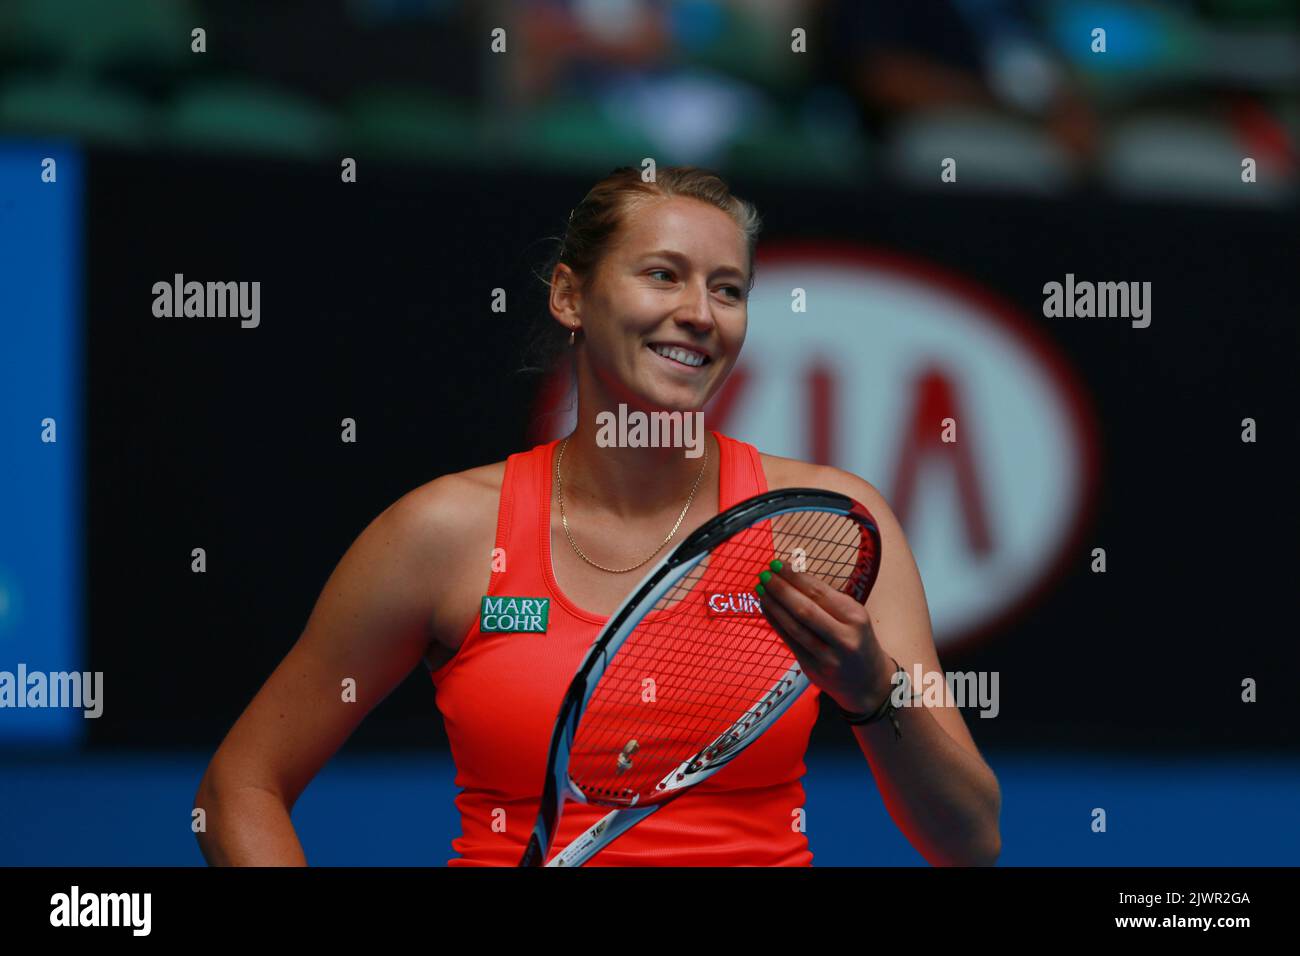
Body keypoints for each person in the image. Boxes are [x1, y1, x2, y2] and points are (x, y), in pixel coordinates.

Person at [194, 165, 1000, 866]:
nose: (700, 313)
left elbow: (969, 840)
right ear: (570, 295)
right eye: (662, 275)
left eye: (727, 289)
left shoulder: (825, 523)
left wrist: (873, 691)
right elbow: (242, 785)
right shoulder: (442, 533)